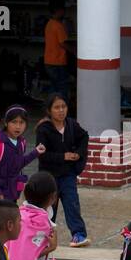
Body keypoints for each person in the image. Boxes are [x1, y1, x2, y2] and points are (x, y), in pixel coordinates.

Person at [35, 93, 90, 247]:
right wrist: (63, 156)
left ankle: (78, 234)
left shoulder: (72, 125)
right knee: (48, 208)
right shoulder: (43, 129)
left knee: (72, 204)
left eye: (63, 107)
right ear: (49, 110)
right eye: (57, 107)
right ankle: (46, 237)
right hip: (49, 177)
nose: (61, 111)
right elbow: (42, 155)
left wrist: (78, 154)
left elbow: (84, 137)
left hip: (68, 174)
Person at [0, 105, 46, 202]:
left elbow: (19, 164)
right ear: (6, 123)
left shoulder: (21, 143)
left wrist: (35, 152)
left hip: (14, 192)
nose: (18, 126)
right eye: (14, 122)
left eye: (22, 122)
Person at [43, 0, 74, 98]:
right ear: (59, 11)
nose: (64, 12)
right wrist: (75, 51)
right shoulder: (59, 26)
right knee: (62, 89)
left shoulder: (49, 24)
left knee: (54, 88)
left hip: (48, 62)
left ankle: (51, 109)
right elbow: (63, 43)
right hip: (58, 63)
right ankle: (62, 111)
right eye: (63, 10)